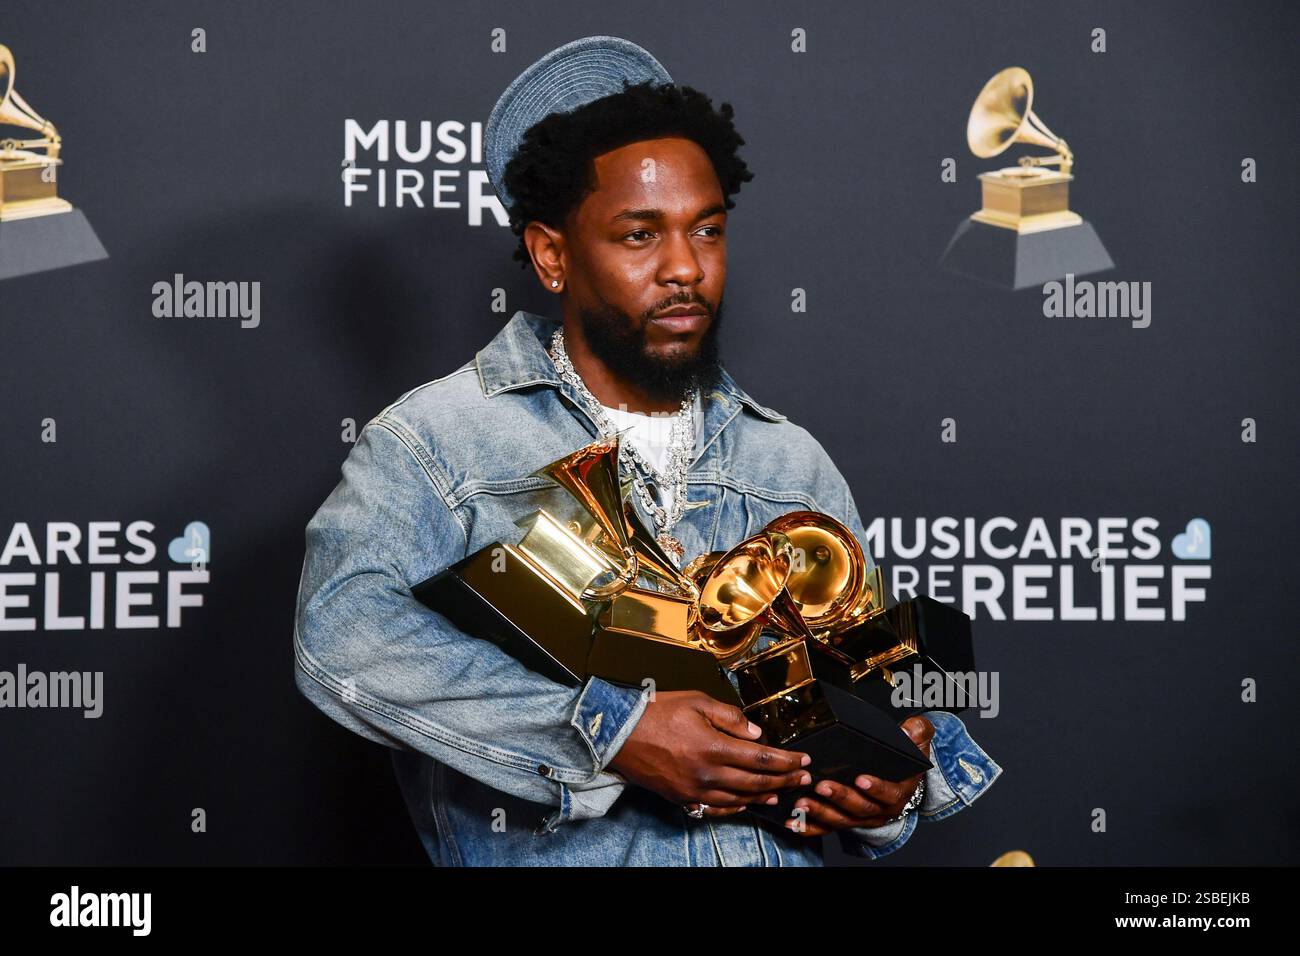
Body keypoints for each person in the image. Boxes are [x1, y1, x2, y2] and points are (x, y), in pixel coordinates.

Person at [293, 36, 1001, 866]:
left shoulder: (791, 461)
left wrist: (884, 788)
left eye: (706, 230)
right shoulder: (437, 442)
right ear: (552, 255)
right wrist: (610, 730)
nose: (684, 268)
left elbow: (874, 695)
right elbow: (340, 636)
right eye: (638, 236)